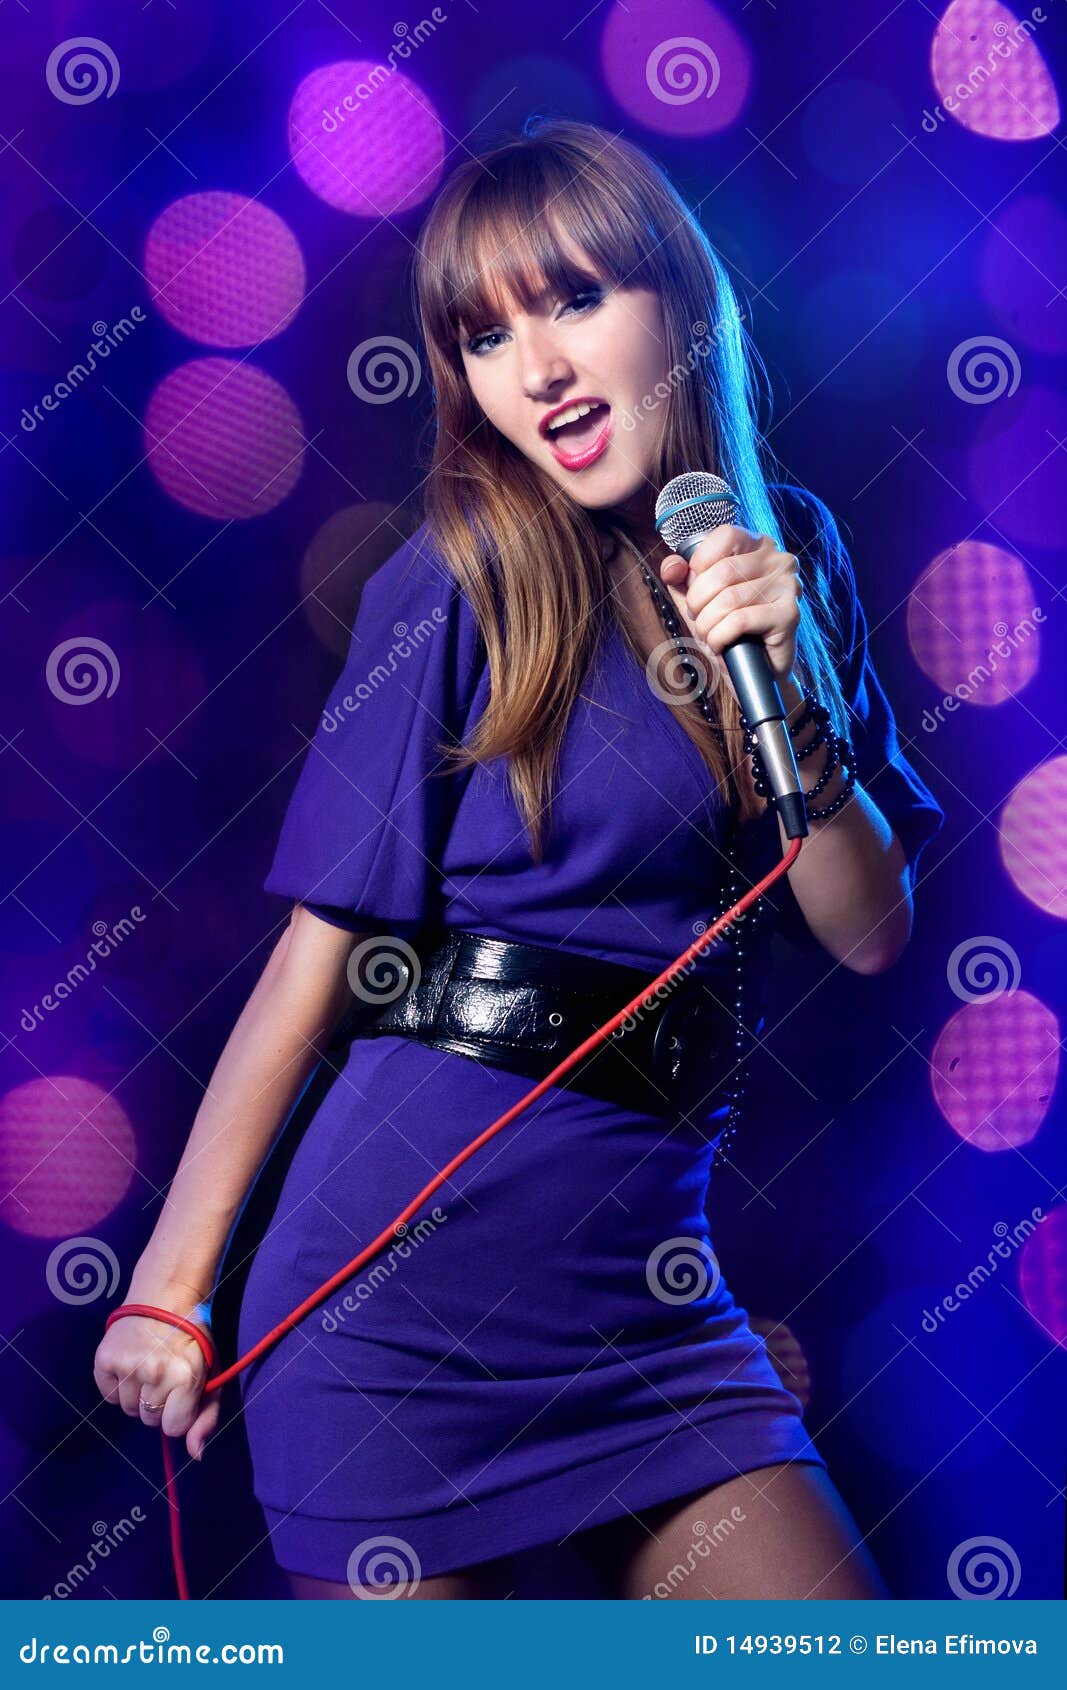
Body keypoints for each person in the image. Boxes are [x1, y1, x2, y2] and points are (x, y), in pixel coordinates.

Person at [93, 118, 941, 1600]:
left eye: (572, 301)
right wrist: (170, 1286)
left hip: (652, 1308)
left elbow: (867, 930)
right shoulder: (457, 571)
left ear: (678, 302)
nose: (535, 367)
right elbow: (315, 957)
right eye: (483, 335)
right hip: (393, 1311)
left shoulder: (782, 552)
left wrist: (790, 684)